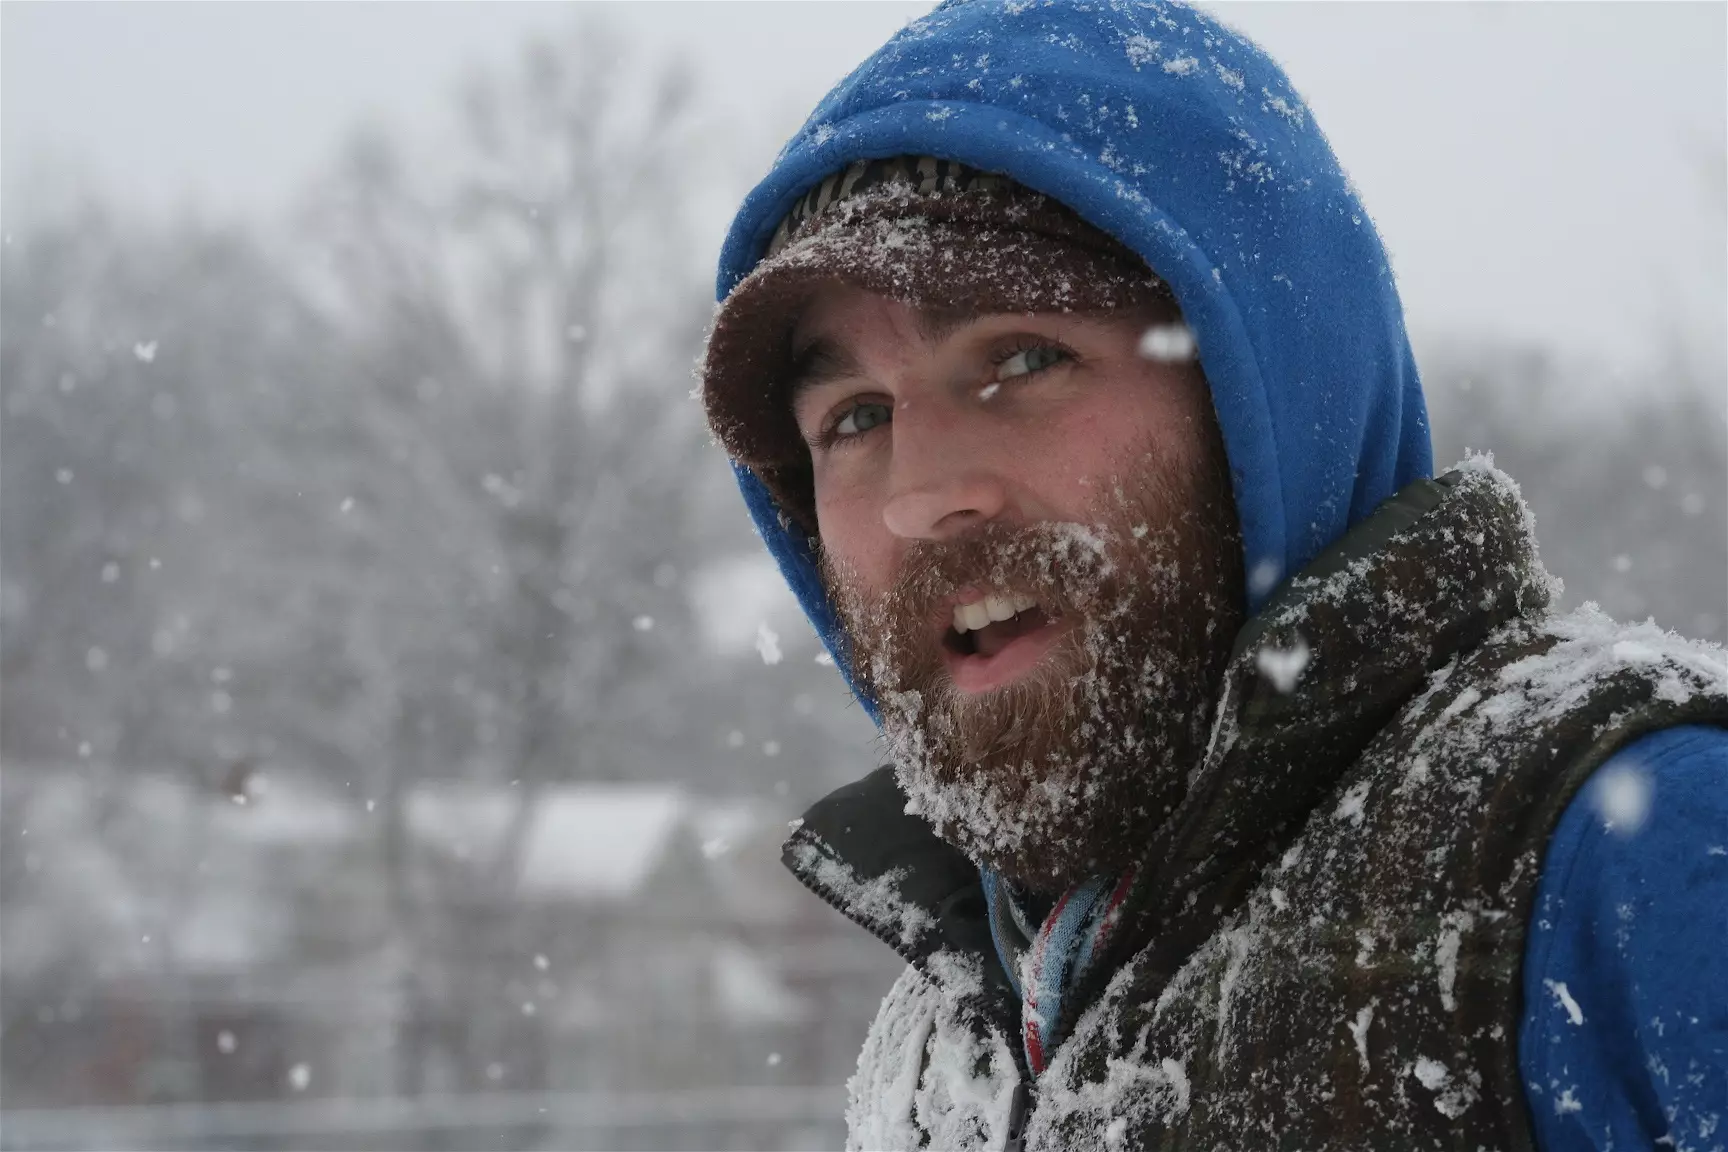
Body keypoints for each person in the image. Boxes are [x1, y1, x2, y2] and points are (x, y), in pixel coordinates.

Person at [699, 3, 1728, 1149]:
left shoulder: (1635, 855)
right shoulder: (942, 1042)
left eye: (1025, 358)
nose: (919, 491)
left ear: (1264, 395)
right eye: (851, 417)